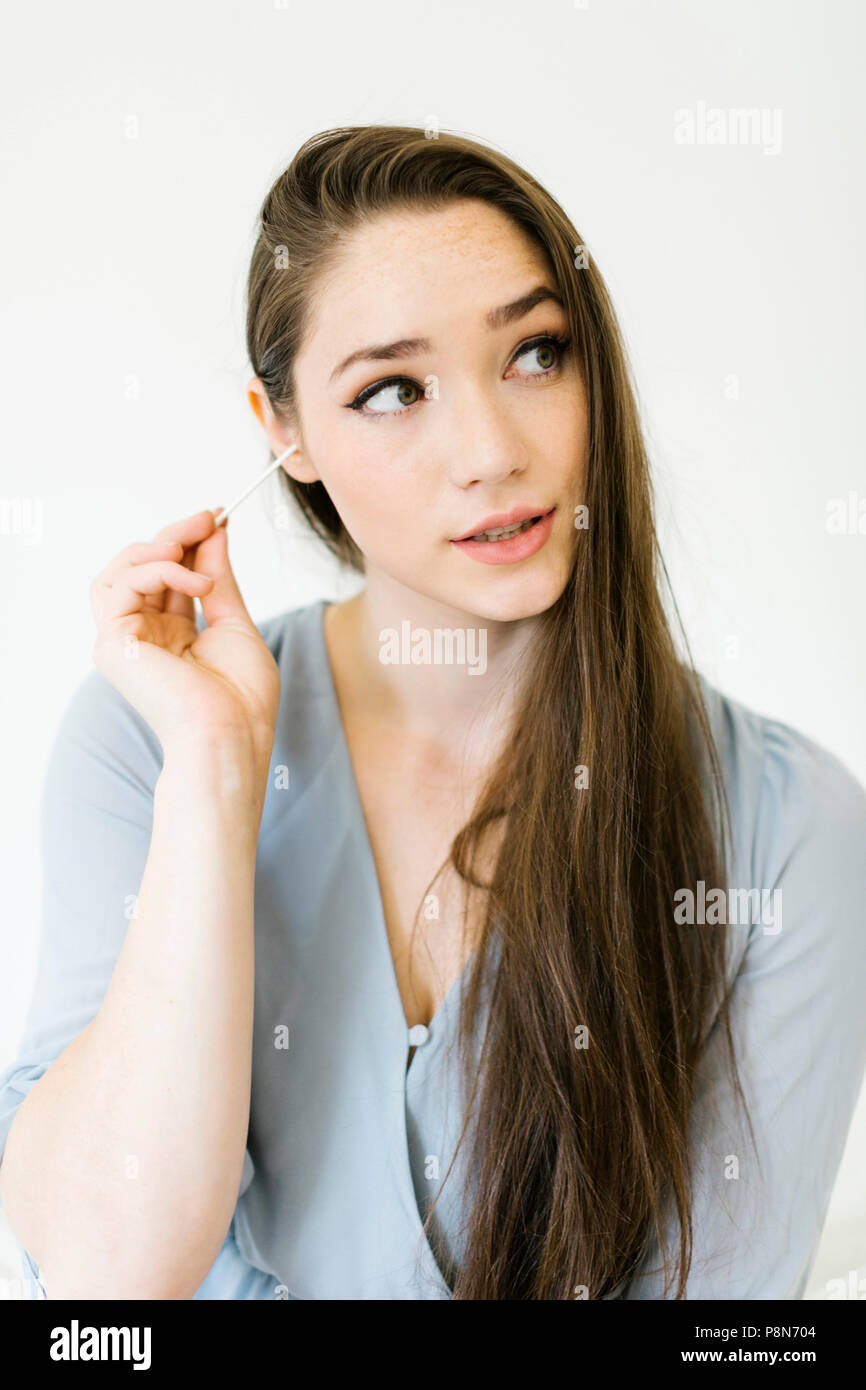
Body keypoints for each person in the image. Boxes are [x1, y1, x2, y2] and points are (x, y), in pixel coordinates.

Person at [1, 125, 865, 1301]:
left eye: (535, 354)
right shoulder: (146, 741)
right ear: (282, 433)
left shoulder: (790, 828)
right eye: (393, 390)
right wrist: (212, 775)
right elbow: (105, 1281)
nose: (491, 451)